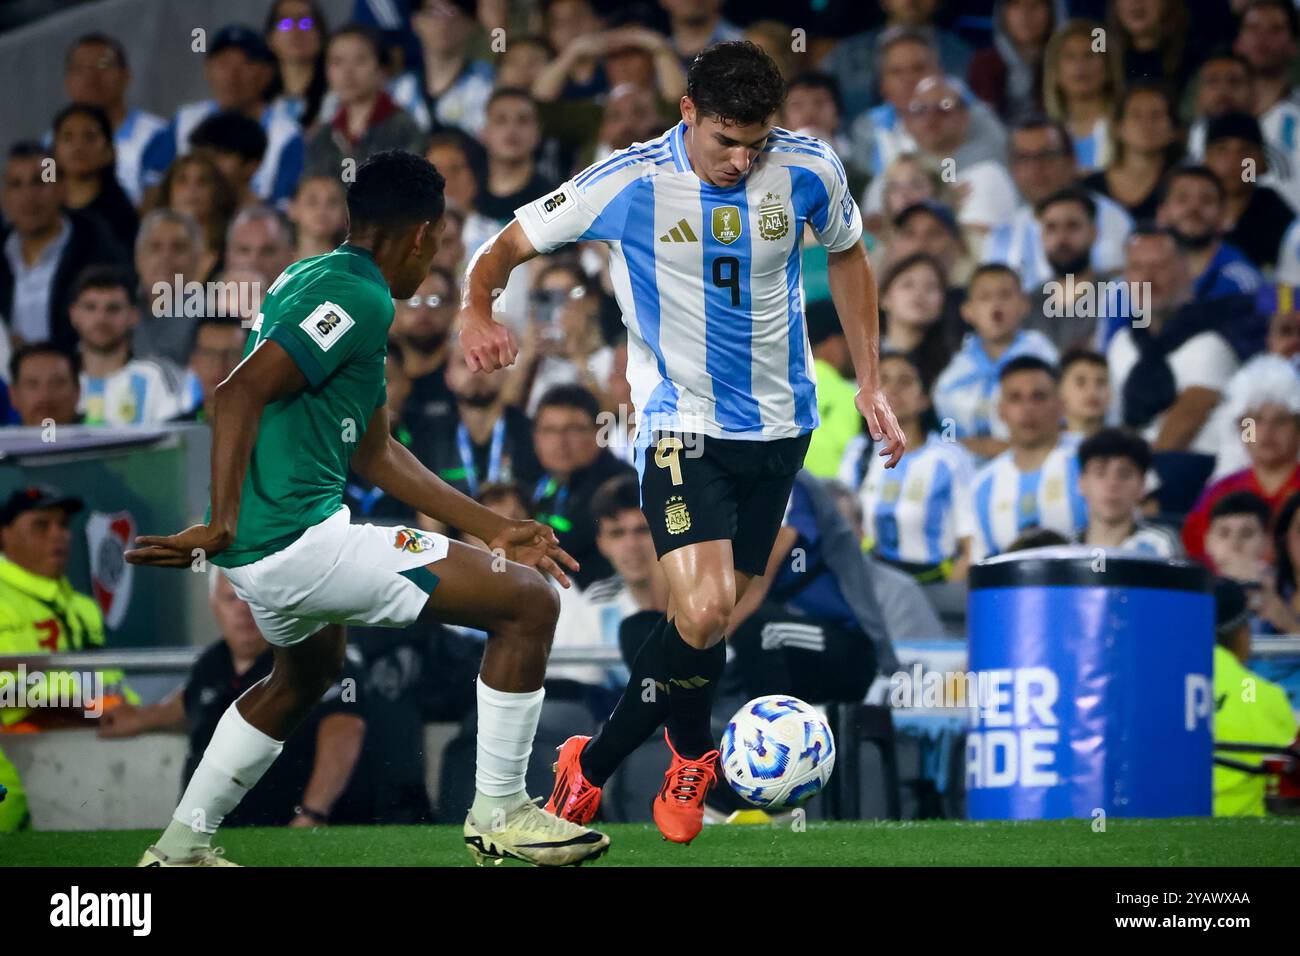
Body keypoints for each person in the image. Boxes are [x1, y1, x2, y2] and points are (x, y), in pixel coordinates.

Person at [458, 41, 905, 844]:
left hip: (783, 428)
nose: (741, 160)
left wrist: (869, 379)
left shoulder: (810, 169)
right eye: (725, 139)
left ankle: (660, 752)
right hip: (680, 421)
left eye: (756, 142)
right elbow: (506, 245)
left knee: (710, 620)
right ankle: (607, 769)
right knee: (702, 609)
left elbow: (849, 255)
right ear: (687, 112)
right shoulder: (629, 180)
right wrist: (479, 309)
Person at [123, 149, 608, 868]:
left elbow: (375, 453)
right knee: (529, 604)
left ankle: (182, 844)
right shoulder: (363, 298)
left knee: (302, 678)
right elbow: (236, 393)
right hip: (293, 541)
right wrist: (218, 520)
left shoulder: (313, 275)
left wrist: (495, 526)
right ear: (420, 235)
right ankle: (501, 810)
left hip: (271, 545)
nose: (435, 254)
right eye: (439, 240)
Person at [98, 573, 367, 828]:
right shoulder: (211, 664)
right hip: (207, 833)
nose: (243, 610)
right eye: (230, 598)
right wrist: (140, 718)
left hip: (284, 832)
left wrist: (312, 813)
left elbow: (345, 726)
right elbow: (190, 706)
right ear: (213, 604)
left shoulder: (310, 657)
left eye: (253, 599)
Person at [1106, 227, 1239, 454]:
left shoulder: (1213, 340)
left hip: (1194, 469)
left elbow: (1185, 421)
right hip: (1128, 471)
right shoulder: (1121, 342)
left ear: (1187, 270)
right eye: (1137, 268)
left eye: (1159, 266)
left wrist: (1138, 476)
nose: (1147, 278)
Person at [141, 24, 304, 207]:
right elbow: (152, 183)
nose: (231, 76)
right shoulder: (186, 121)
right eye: (223, 64)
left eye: (245, 65)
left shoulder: (285, 134)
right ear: (207, 69)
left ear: (267, 74)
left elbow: (284, 204)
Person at [854, 351, 975, 583]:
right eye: (883, 381)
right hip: (872, 584)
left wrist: (946, 599)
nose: (893, 389)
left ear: (924, 399)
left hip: (935, 585)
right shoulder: (858, 452)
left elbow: (971, 545)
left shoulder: (950, 458)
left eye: (906, 381)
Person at [0, 142, 127, 353]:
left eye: (40, 181)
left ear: (61, 188)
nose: (28, 195)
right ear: (4, 197)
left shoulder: (96, 248)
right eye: (16, 184)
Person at [983, 117, 1135, 292]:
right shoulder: (1002, 234)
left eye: (1047, 155)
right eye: (1024, 158)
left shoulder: (1111, 219)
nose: (1036, 168)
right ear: (1013, 168)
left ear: (1072, 161)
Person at [935, 262, 1058, 459]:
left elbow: (1060, 420)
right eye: (985, 297)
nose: (996, 305)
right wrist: (968, 445)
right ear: (967, 311)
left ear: (1024, 305)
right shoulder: (953, 376)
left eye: (1005, 296)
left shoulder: (1044, 356)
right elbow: (947, 435)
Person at [1183, 354, 1300, 561]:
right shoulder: (1220, 491)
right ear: (1241, 429)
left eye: (1281, 421)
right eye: (1255, 421)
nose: (1267, 431)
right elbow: (1196, 553)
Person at [968, 356, 1086, 559]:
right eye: (1015, 398)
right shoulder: (982, 484)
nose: (1027, 408)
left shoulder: (1091, 458)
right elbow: (977, 563)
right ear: (1001, 411)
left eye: (1038, 397)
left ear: (1060, 405)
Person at [528, 384, 635, 587]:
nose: (561, 442)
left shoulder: (620, 486)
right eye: (550, 430)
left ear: (598, 434)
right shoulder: (540, 480)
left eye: (573, 430)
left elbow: (571, 545)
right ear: (536, 437)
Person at [1211, 575, 1299, 816]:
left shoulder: (1154, 690)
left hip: (1165, 838)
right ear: (1243, 632)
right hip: (1242, 841)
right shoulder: (1265, 696)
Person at [70, 266, 185, 426]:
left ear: (133, 316)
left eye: (113, 308)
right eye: (90, 307)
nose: (101, 318)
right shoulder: (56, 381)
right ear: (73, 314)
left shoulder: (155, 377)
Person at [304, 25, 424, 178]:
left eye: (360, 60)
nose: (347, 71)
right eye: (337, 61)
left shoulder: (404, 128)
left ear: (382, 69)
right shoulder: (323, 136)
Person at [61, 32, 167, 205]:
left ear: (127, 76)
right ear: (67, 81)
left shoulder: (159, 134)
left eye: (103, 66)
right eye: (80, 69)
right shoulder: (50, 143)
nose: (91, 78)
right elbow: (45, 186)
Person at [1079, 82, 1183, 224]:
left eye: (1157, 115)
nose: (1146, 124)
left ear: (1174, 130)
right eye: (1136, 115)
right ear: (1117, 128)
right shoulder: (1089, 188)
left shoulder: (1185, 187)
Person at [1155, 165, 1263, 301]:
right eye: (1182, 199)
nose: (1194, 208)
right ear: (1161, 214)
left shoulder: (1242, 280)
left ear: (1223, 216)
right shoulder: (1139, 273)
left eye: (1206, 200)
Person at [1204, 111, 1295, 270]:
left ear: (1261, 163)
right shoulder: (1191, 212)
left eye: (1245, 151)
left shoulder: (1280, 219)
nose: (1233, 161)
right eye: (1222, 150)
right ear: (1206, 160)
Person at [1073, 427, 1181, 556]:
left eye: (1124, 474)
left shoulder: (1160, 545)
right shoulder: (1066, 549)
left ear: (1142, 486)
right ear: (1081, 483)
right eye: (1100, 473)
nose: (1112, 484)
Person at [51, 103, 138, 250]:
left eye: (89, 137)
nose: (78, 146)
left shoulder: (123, 217)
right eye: (68, 137)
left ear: (109, 151)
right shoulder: (44, 211)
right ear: (54, 152)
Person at [1041, 19, 1121, 173]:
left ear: (1108, 67)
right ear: (1055, 72)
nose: (1080, 65)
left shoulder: (1124, 126)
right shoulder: (1045, 132)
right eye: (1070, 57)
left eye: (1089, 55)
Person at [131, 208, 206, 366]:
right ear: (139, 258)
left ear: (198, 259)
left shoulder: (212, 316)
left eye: (178, 248)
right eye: (155, 247)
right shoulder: (116, 308)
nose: (166, 257)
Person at [966, 0, 1061, 124]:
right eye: (1015, 5)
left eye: (1035, 5)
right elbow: (978, 123)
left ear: (1051, 12)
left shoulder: (1063, 62)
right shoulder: (984, 64)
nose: (1025, 15)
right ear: (1002, 13)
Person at [9, 343, 82, 427]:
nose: (45, 396)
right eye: (32, 385)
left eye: (57, 384)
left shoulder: (99, 435)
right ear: (13, 395)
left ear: (77, 391)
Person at [287, 174, 347, 261]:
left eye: (332, 202)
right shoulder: (275, 265)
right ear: (292, 208)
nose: (322, 211)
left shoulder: (356, 269)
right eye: (312, 202)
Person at [1058, 347, 1110, 440]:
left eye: (1101, 382)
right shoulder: (1042, 447)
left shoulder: (1126, 447)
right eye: (1080, 382)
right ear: (1059, 391)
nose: (1092, 391)